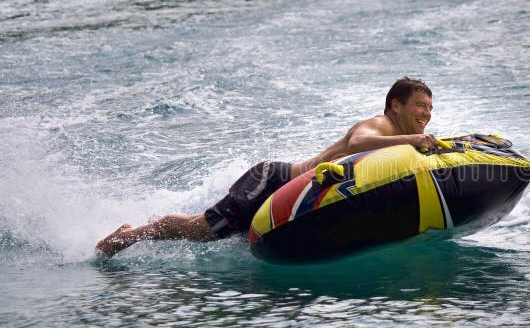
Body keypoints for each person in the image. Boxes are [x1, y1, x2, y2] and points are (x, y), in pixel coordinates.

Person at [95, 77, 436, 257]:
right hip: (272, 181)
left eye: (430, 108)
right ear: (396, 105)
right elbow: (358, 142)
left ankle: (155, 225)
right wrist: (414, 140)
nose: (427, 114)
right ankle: (131, 234)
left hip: (290, 194)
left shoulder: (397, 139)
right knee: (205, 231)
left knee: (215, 232)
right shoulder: (380, 125)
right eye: (421, 105)